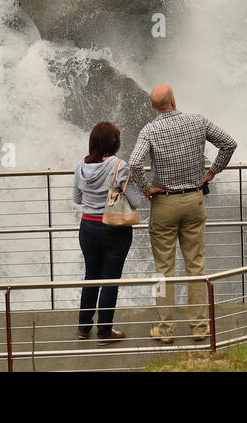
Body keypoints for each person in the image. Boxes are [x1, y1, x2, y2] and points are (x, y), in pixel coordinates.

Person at [128, 85, 237, 344]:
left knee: (163, 269)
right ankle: (199, 327)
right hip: (193, 200)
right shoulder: (198, 121)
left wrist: (146, 189)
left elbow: (133, 164)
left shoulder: (150, 130)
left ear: (154, 107)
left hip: (164, 203)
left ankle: (166, 331)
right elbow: (229, 143)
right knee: (195, 266)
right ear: (174, 100)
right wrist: (212, 172)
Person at [73, 121, 144, 341]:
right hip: (113, 229)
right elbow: (135, 200)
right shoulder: (118, 166)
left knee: (91, 277)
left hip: (87, 228)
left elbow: (77, 199)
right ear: (113, 142)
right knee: (110, 280)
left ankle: (84, 328)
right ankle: (104, 332)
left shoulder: (80, 166)